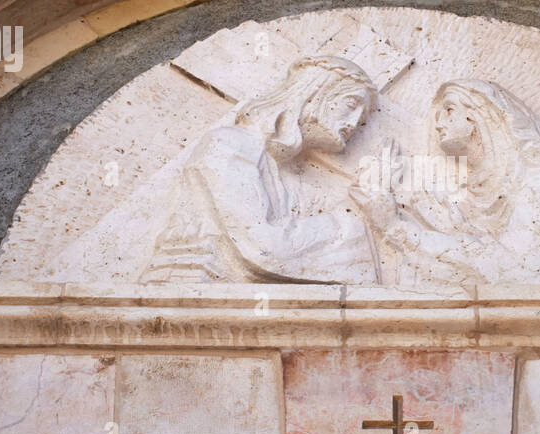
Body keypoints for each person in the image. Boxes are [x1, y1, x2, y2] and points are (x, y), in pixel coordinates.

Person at [349, 79, 540, 286]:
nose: (438, 122)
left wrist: (394, 228)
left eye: (449, 110)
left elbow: (517, 276)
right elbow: (468, 241)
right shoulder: (480, 197)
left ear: (479, 117)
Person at [144, 55, 380, 283]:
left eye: (361, 119)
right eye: (351, 104)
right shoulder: (229, 144)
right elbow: (266, 249)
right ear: (312, 95)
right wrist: (353, 216)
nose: (353, 123)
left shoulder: (283, 171)